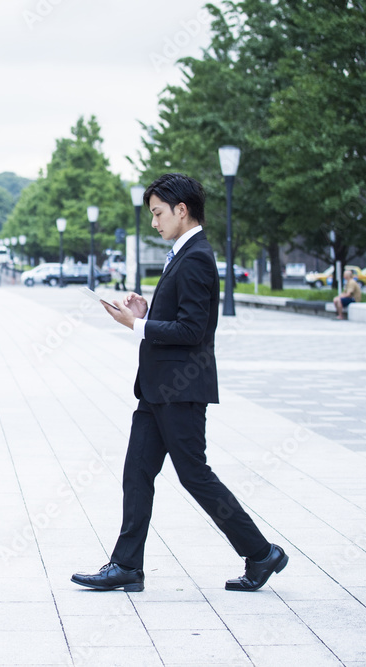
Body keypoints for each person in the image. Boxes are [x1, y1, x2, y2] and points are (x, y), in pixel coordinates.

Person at [71, 173, 287, 593]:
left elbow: (192, 330)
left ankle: (261, 554)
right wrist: (146, 313)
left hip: (182, 389)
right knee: (137, 473)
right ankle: (126, 566)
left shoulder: (197, 257)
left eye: (157, 213)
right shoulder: (182, 254)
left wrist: (137, 325)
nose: (154, 222)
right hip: (157, 389)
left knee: (195, 475)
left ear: (181, 210)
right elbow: (184, 317)